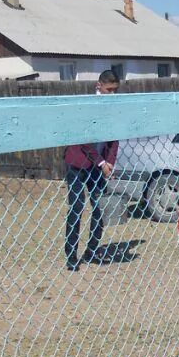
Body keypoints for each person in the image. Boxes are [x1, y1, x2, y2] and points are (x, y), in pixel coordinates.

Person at [62, 70, 120, 272]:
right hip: (78, 164)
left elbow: (114, 138)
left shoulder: (113, 108)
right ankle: (71, 255)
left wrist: (109, 162)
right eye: (108, 89)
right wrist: (102, 162)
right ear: (99, 86)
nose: (111, 94)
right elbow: (84, 140)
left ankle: (92, 250)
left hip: (99, 167)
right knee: (77, 208)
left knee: (100, 208)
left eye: (115, 90)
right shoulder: (87, 106)